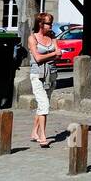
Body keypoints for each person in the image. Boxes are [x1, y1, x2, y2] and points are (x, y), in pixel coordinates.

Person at [27, 12, 63, 147]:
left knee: (43, 104)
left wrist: (55, 54)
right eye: (48, 23)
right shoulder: (32, 38)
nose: (51, 26)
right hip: (37, 75)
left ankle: (34, 132)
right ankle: (42, 136)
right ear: (40, 24)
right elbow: (37, 58)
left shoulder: (52, 36)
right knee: (44, 105)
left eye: (51, 23)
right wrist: (53, 54)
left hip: (51, 74)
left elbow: (59, 53)